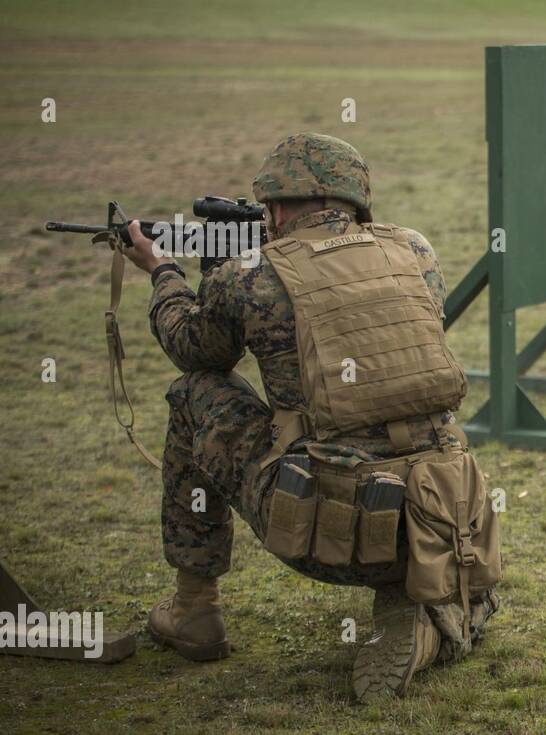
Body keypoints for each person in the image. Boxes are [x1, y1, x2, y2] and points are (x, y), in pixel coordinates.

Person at [120, 133, 500, 701]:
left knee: (195, 392)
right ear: (356, 201)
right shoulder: (415, 252)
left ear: (272, 209)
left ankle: (195, 609)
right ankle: (431, 611)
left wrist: (163, 270)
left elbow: (194, 348)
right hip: (444, 516)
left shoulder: (250, 274)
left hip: (325, 528)